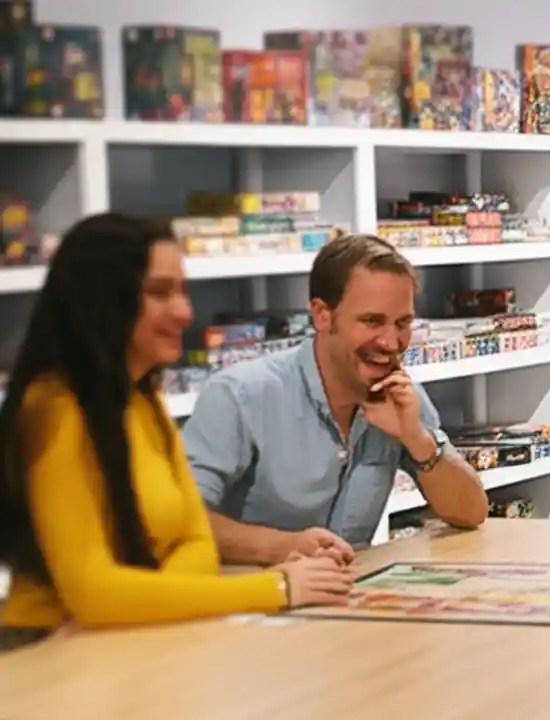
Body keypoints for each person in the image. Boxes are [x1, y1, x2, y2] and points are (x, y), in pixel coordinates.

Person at [0, 213, 353, 650]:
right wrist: (276, 588)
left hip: (117, 642)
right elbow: (92, 591)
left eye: (183, 291)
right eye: (160, 293)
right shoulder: (53, 409)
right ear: (104, 298)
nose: (185, 312)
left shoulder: (143, 398)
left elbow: (197, 543)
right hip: (43, 650)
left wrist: (136, 602)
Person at [182, 234, 489, 567]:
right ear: (322, 315)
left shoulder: (399, 395)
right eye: (371, 321)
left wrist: (416, 439)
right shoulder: (240, 395)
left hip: (343, 604)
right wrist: (281, 547)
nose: (390, 342)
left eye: (402, 323)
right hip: (251, 603)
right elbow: (181, 521)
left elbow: (471, 512)